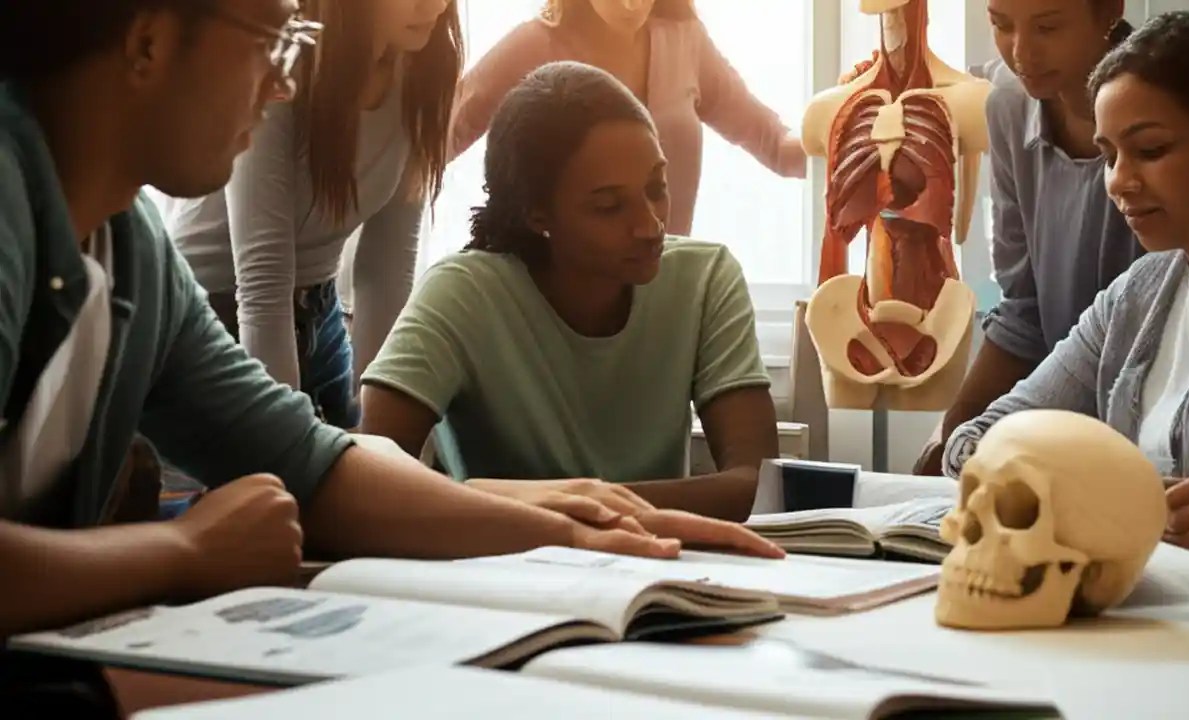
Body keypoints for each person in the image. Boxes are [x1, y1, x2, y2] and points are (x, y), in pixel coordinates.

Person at [0, 0, 784, 662]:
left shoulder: (134, 250)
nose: (280, 86)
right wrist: (181, 552)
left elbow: (313, 464)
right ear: (148, 41)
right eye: (272, 41)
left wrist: (562, 526)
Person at [361, 61, 778, 523]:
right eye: (608, 206)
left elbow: (756, 484)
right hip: (506, 578)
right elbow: (373, 471)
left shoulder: (706, 279)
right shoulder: (462, 293)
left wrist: (556, 504)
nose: (650, 225)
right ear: (537, 214)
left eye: (657, 187)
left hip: (657, 568)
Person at [943, 11, 1189, 574]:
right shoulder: (1135, 298)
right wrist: (1092, 489)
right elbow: (978, 440)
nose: (1120, 180)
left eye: (1150, 151)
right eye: (1109, 155)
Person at [165, 0, 462, 429]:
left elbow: (386, 268)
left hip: (318, 316)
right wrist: (289, 449)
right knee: (283, 482)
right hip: (216, 317)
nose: (435, 5)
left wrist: (375, 427)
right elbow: (262, 279)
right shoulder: (286, 61)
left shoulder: (424, 68)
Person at [915, 0, 1144, 474]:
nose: (1022, 53)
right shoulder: (1007, 103)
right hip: (1054, 407)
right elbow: (1025, 312)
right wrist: (948, 434)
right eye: (1000, 25)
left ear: (1109, 13)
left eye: (1048, 27)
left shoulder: (1164, 102)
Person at [447, 0, 806, 237]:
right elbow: (441, 133)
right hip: (555, 304)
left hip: (662, 293)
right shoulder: (536, 45)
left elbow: (776, 145)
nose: (631, 3)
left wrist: (846, 125)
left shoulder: (684, 42)